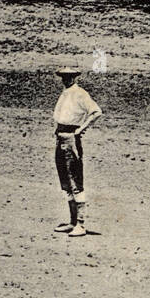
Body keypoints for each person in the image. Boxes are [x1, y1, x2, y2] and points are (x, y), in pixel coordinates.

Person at [51, 68, 102, 236]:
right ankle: (72, 222)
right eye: (64, 77)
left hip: (71, 139)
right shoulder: (65, 93)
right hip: (60, 138)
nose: (66, 79)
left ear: (74, 77)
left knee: (75, 180)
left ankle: (80, 224)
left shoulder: (80, 93)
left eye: (69, 77)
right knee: (65, 181)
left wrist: (81, 129)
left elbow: (96, 111)